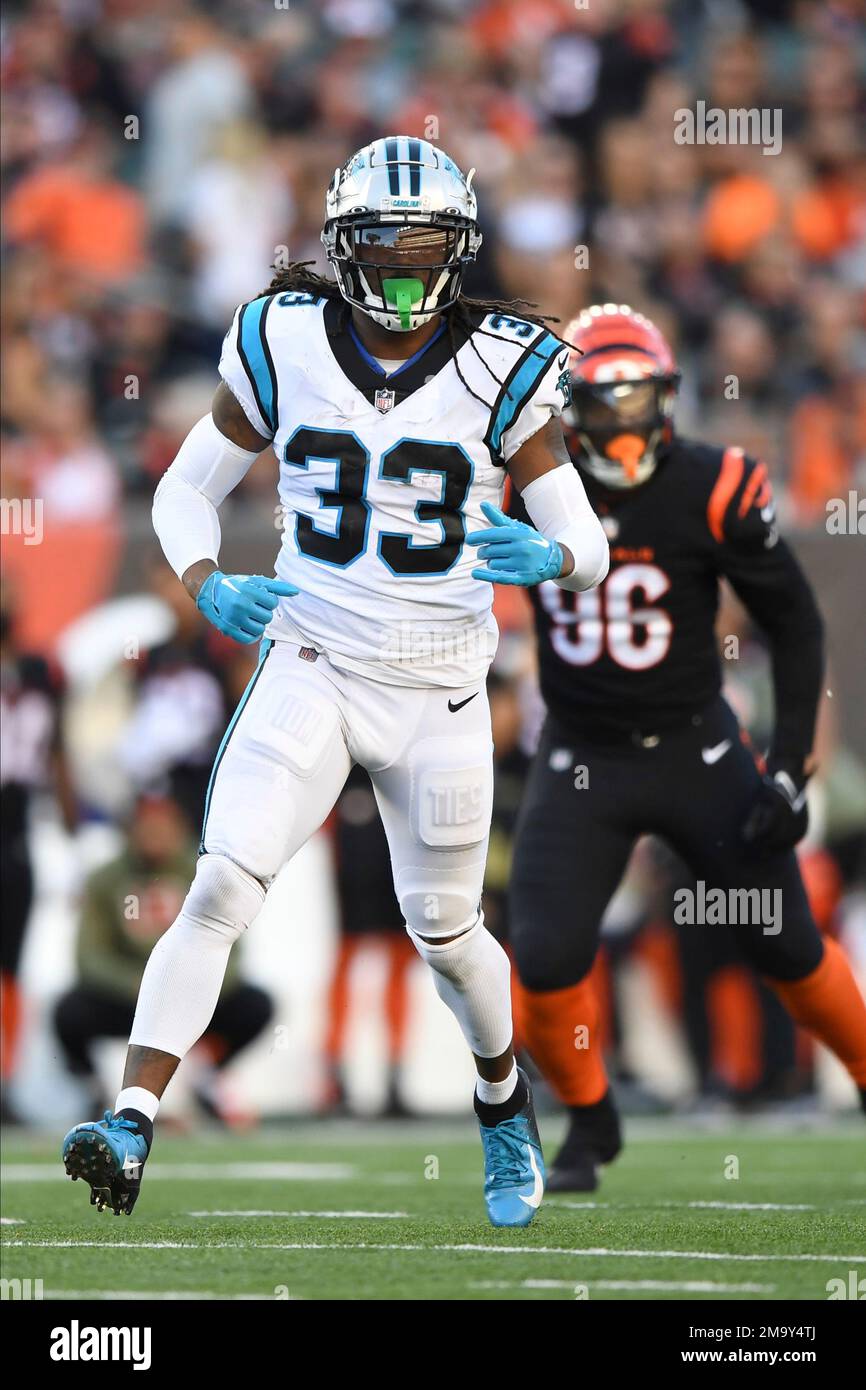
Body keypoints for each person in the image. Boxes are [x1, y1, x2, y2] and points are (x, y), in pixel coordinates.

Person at [61, 136, 609, 1226]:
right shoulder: (283, 336)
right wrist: (206, 579)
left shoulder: (502, 361)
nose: (404, 269)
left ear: (458, 250)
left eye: (425, 246)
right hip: (311, 657)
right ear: (342, 245)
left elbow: (585, 540)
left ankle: (501, 1099)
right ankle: (130, 1116)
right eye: (384, 243)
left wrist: (548, 556)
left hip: (444, 686)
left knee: (447, 932)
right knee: (221, 880)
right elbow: (185, 488)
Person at [508, 303, 866, 1191]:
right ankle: (592, 1123)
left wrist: (789, 767)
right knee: (546, 958)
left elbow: (796, 624)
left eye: (638, 400)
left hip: (696, 748)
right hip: (582, 753)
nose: (624, 422)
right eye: (604, 402)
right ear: (567, 409)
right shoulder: (525, 484)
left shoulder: (712, 484)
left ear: (667, 399)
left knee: (785, 943)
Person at [54, 794, 271, 1124]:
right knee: (68, 1012)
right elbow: (89, 957)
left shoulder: (206, 872)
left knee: (256, 1004)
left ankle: (209, 1077)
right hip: (129, 995)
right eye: (146, 827)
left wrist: (189, 989)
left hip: (190, 994)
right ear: (131, 831)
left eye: (162, 827)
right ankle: (93, 1088)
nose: (154, 836)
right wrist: (140, 985)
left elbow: (235, 950)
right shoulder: (105, 879)